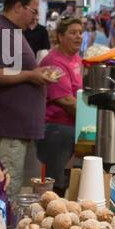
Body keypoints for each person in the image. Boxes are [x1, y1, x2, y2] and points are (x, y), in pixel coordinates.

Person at [0, 0, 61, 193]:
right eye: (34, 11)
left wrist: (36, 73)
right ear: (18, 7)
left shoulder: (10, 31)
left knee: (12, 187)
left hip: (13, 128)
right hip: (4, 129)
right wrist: (30, 75)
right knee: (3, 188)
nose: (36, 17)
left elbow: (9, 70)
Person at [36, 16, 84, 193]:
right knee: (53, 182)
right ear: (60, 36)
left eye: (80, 32)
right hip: (56, 128)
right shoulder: (54, 62)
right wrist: (92, 118)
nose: (78, 36)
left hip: (72, 125)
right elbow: (66, 101)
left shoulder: (75, 58)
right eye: (73, 32)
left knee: (66, 179)